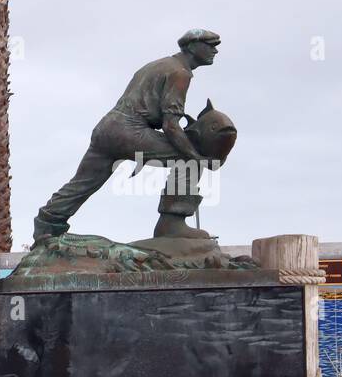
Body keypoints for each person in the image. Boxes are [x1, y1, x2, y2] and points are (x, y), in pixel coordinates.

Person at [32, 29, 222, 244]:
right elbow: (170, 126)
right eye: (210, 44)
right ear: (192, 46)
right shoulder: (181, 72)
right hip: (130, 131)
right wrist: (196, 156)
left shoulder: (157, 65)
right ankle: (172, 225)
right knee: (188, 160)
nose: (215, 50)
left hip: (107, 129)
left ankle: (47, 226)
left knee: (83, 183)